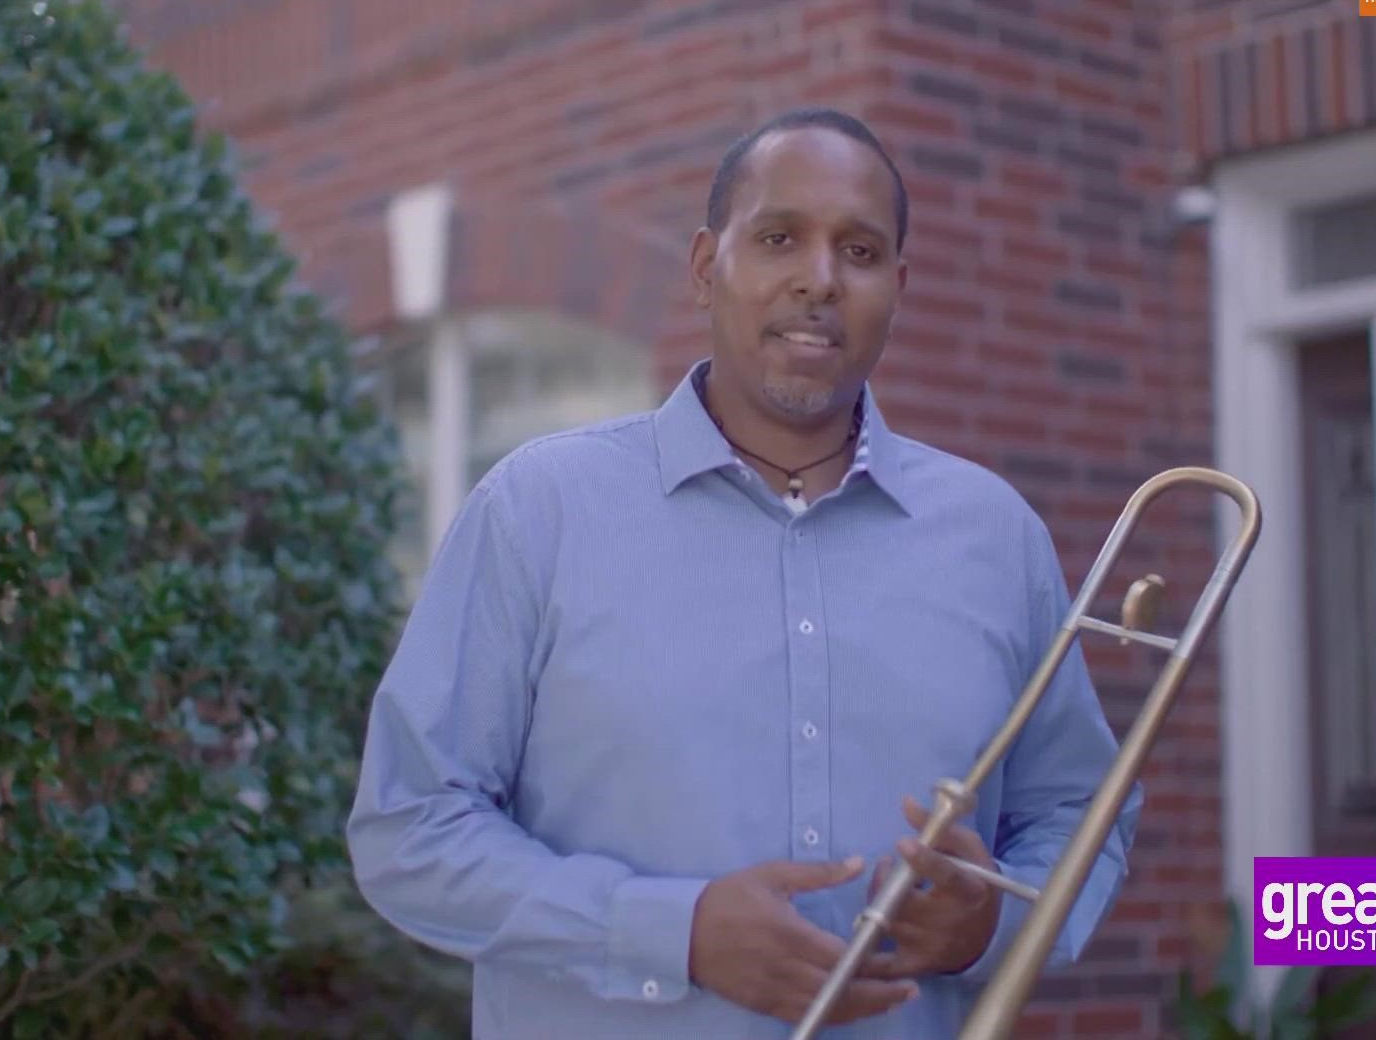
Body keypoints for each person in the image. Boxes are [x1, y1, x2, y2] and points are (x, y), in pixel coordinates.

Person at [346, 107, 1141, 1038]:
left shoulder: (996, 536)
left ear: (897, 287)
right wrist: (669, 933)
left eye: (859, 251)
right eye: (777, 238)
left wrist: (995, 919)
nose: (819, 279)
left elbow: (1079, 810)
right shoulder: (537, 511)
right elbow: (411, 827)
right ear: (703, 267)